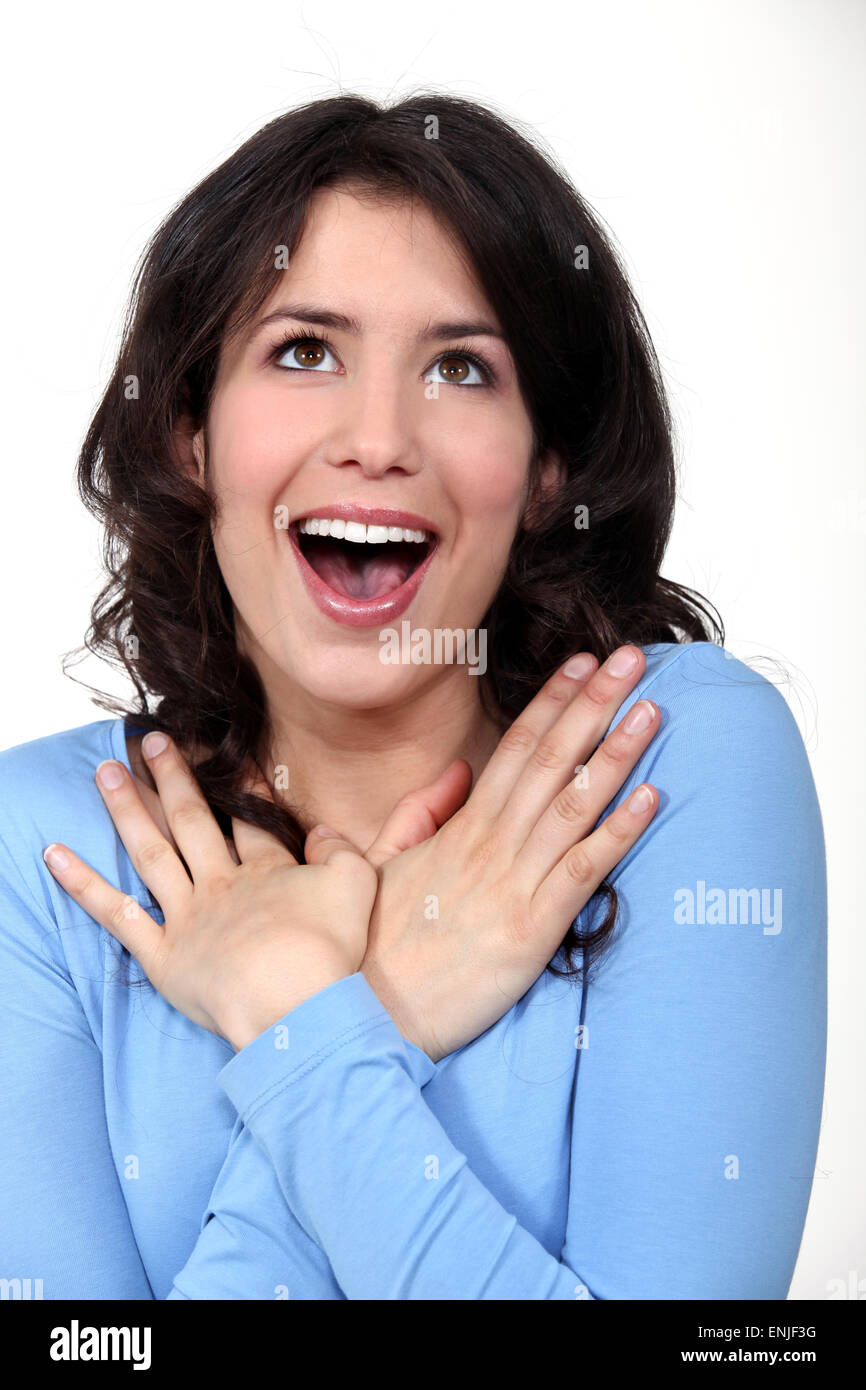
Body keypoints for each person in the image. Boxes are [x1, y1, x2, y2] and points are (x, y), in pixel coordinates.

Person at [0, 93, 826, 1300]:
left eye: (458, 367)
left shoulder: (664, 758)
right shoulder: (46, 851)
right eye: (302, 350)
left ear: (547, 467)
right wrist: (380, 1007)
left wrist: (307, 1027)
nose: (376, 435)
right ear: (189, 433)